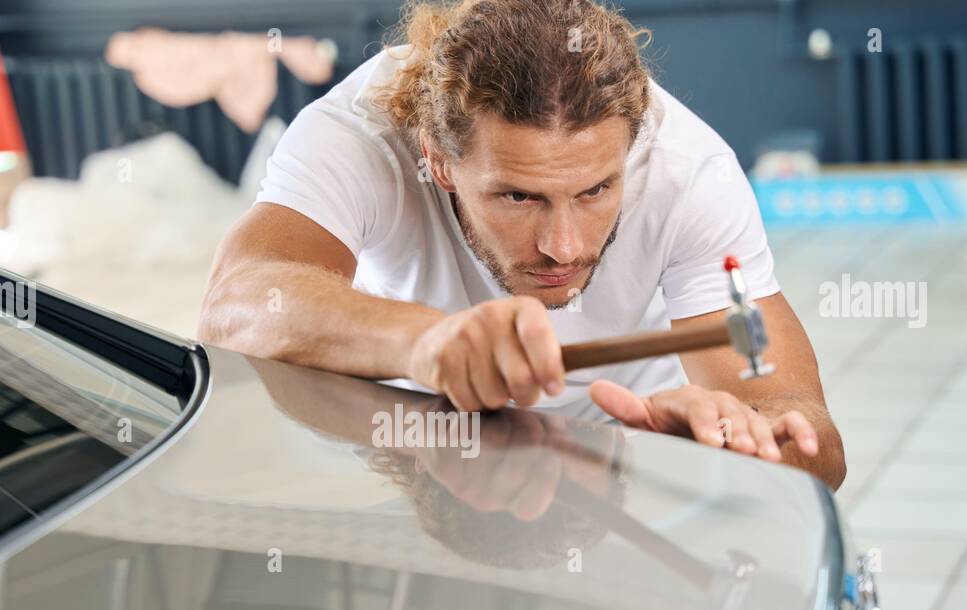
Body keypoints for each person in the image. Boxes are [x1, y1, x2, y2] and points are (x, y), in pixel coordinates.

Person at [200, 0, 845, 489]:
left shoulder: (689, 169)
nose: (563, 248)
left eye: (595, 191)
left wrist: (739, 447)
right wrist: (425, 341)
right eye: (519, 197)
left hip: (627, 440)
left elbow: (816, 445)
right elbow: (235, 304)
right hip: (419, 426)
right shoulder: (360, 135)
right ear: (439, 160)